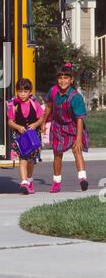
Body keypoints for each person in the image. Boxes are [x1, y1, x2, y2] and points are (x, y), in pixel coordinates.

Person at [42, 63, 89, 193]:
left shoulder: (75, 97)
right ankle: (56, 182)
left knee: (77, 150)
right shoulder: (53, 91)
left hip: (73, 127)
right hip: (58, 127)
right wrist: (44, 122)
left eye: (66, 78)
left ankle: (82, 178)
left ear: (71, 80)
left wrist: (78, 138)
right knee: (57, 154)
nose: (63, 81)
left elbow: (80, 118)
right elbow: (49, 107)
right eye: (60, 78)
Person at [7, 78, 44, 195]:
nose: (22, 94)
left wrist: (36, 124)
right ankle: (24, 182)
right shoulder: (14, 105)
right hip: (21, 136)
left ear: (30, 92)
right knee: (23, 159)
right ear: (17, 91)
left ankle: (29, 180)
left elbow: (41, 118)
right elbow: (10, 121)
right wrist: (17, 127)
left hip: (33, 135)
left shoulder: (34, 103)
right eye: (20, 91)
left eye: (25, 91)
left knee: (31, 160)